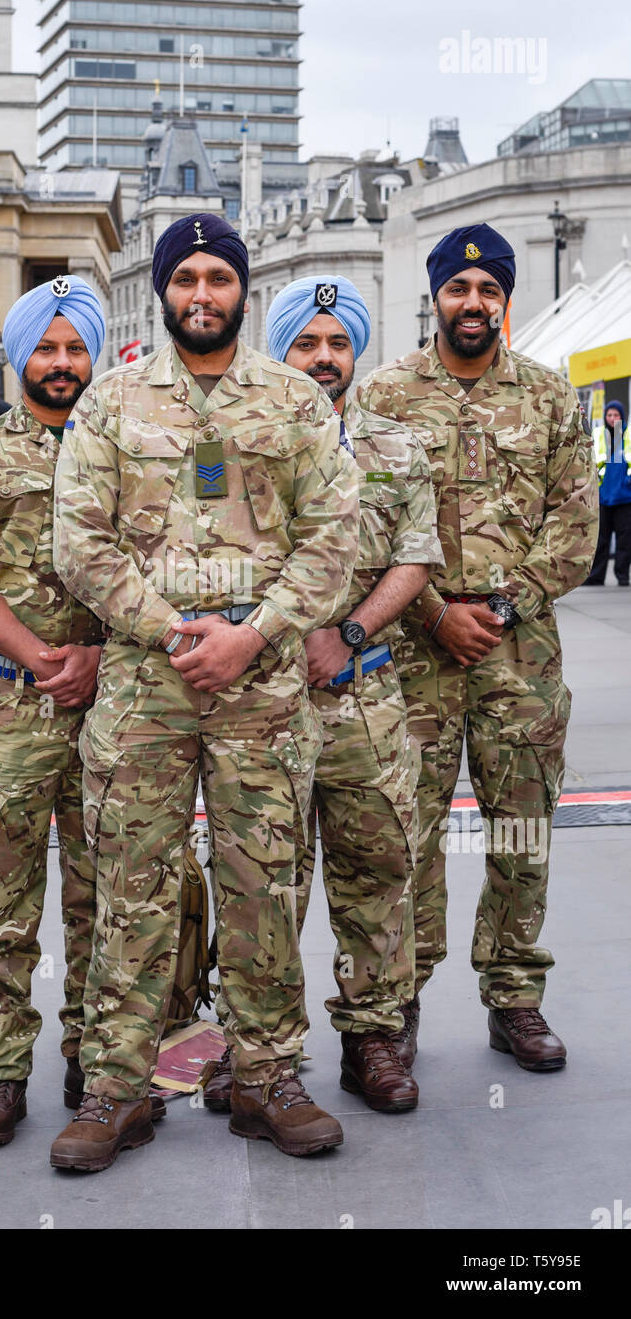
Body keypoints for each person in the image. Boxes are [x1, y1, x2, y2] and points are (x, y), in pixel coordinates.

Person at [50, 212, 360, 1172]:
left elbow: (333, 537)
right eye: (184, 278)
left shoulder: (294, 404)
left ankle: (264, 1077)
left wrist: (253, 633)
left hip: (261, 682)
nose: (200, 294)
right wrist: (169, 631)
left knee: (262, 884)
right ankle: (118, 1088)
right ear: (162, 290)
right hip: (147, 684)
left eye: (217, 279)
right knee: (129, 884)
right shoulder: (110, 405)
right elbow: (78, 542)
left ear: (240, 290)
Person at [357, 224, 598, 1070]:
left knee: (521, 832)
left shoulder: (546, 397)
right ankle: (398, 1004)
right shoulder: (383, 396)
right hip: (413, 656)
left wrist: (498, 604)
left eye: (487, 290)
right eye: (458, 290)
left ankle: (515, 998)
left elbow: (575, 527)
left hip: (518, 656)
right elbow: (364, 528)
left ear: (504, 300)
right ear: (435, 298)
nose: (472, 304)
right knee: (404, 835)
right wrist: (432, 613)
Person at [209, 275, 440, 1113]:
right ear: (280, 351)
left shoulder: (396, 448)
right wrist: (273, 634)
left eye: (337, 343)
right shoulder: (235, 440)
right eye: (305, 343)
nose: (323, 358)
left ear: (356, 353)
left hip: (364, 695)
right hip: (261, 698)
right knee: (261, 879)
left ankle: (374, 1038)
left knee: (377, 868)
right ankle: (257, 1050)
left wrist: (343, 635)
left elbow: (414, 558)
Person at [0, 277, 122, 1147]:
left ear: (96, 355)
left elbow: (172, 566)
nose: (60, 363)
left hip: (118, 702)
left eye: (74, 347)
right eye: (45, 348)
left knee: (106, 894)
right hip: (11, 704)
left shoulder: (132, 447)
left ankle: (94, 1065)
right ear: (17, 355)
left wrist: (97, 656)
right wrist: (44, 658)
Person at [584, 400, 631, 586]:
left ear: (622, 416)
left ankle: (622, 576)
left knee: (624, 540)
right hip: (603, 497)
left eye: (616, 415)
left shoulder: (626, 434)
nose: (612, 419)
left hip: (625, 496)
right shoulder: (600, 434)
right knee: (600, 540)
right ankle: (596, 576)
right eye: (609, 415)